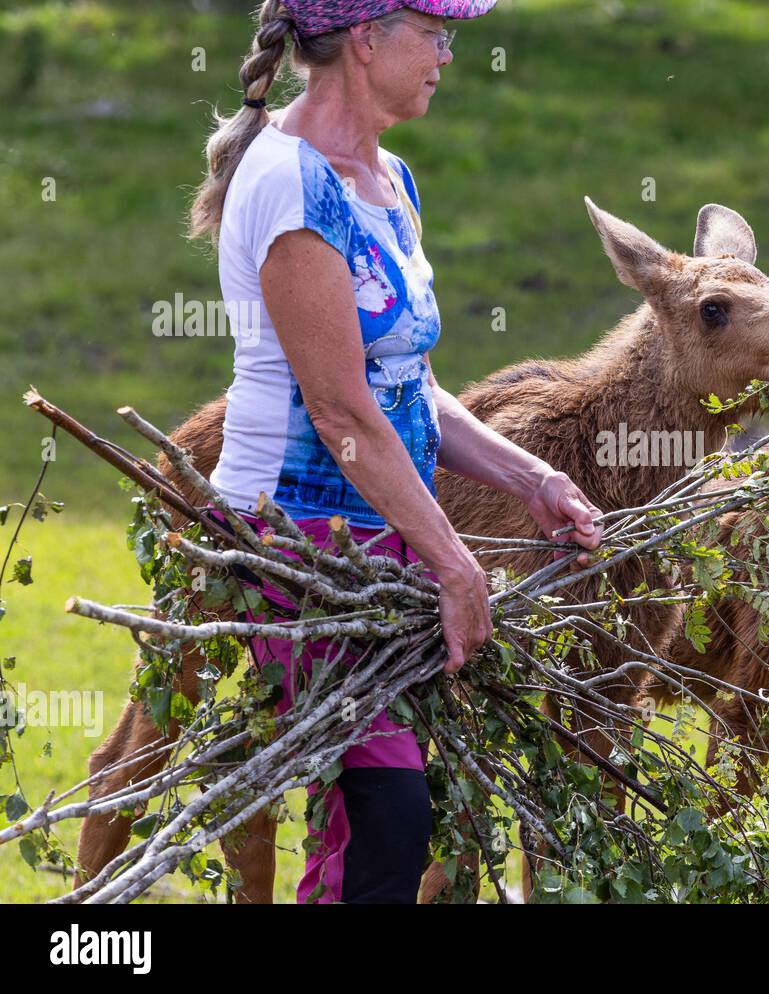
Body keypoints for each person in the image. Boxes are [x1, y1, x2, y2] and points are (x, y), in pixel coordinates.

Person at [187, 0, 603, 903]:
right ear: (368, 38)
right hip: (296, 538)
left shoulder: (391, 179)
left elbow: (408, 385)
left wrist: (532, 477)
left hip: (380, 531)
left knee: (389, 819)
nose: (449, 55)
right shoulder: (292, 186)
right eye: (436, 32)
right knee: (388, 817)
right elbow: (339, 411)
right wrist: (456, 563)